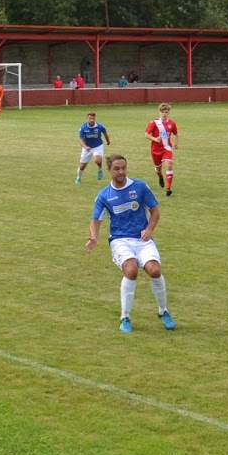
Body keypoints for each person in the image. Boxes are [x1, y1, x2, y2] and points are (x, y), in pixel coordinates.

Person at [85, 154, 175, 333]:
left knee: (155, 270)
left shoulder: (139, 186)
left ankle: (163, 311)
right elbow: (96, 220)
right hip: (120, 240)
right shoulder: (104, 195)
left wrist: (149, 229)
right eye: (117, 169)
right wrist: (94, 237)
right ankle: (125, 316)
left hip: (142, 239)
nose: (121, 172)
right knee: (131, 270)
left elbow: (155, 211)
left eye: (124, 168)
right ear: (109, 170)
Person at [145, 103, 178, 193]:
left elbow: (176, 134)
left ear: (168, 113)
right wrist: (154, 139)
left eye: (166, 112)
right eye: (162, 112)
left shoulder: (172, 123)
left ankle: (168, 188)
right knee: (158, 169)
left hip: (166, 149)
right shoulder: (154, 123)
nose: (164, 114)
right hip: (155, 150)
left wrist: (176, 143)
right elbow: (146, 134)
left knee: (169, 166)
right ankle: (160, 176)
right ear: (159, 112)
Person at [76, 111, 109, 184]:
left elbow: (105, 134)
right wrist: (85, 147)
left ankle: (100, 170)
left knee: (97, 160)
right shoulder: (83, 128)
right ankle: (79, 178)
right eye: (90, 118)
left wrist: (108, 141)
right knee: (82, 166)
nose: (92, 120)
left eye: (93, 118)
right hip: (87, 148)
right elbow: (81, 139)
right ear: (87, 119)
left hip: (98, 146)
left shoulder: (100, 126)